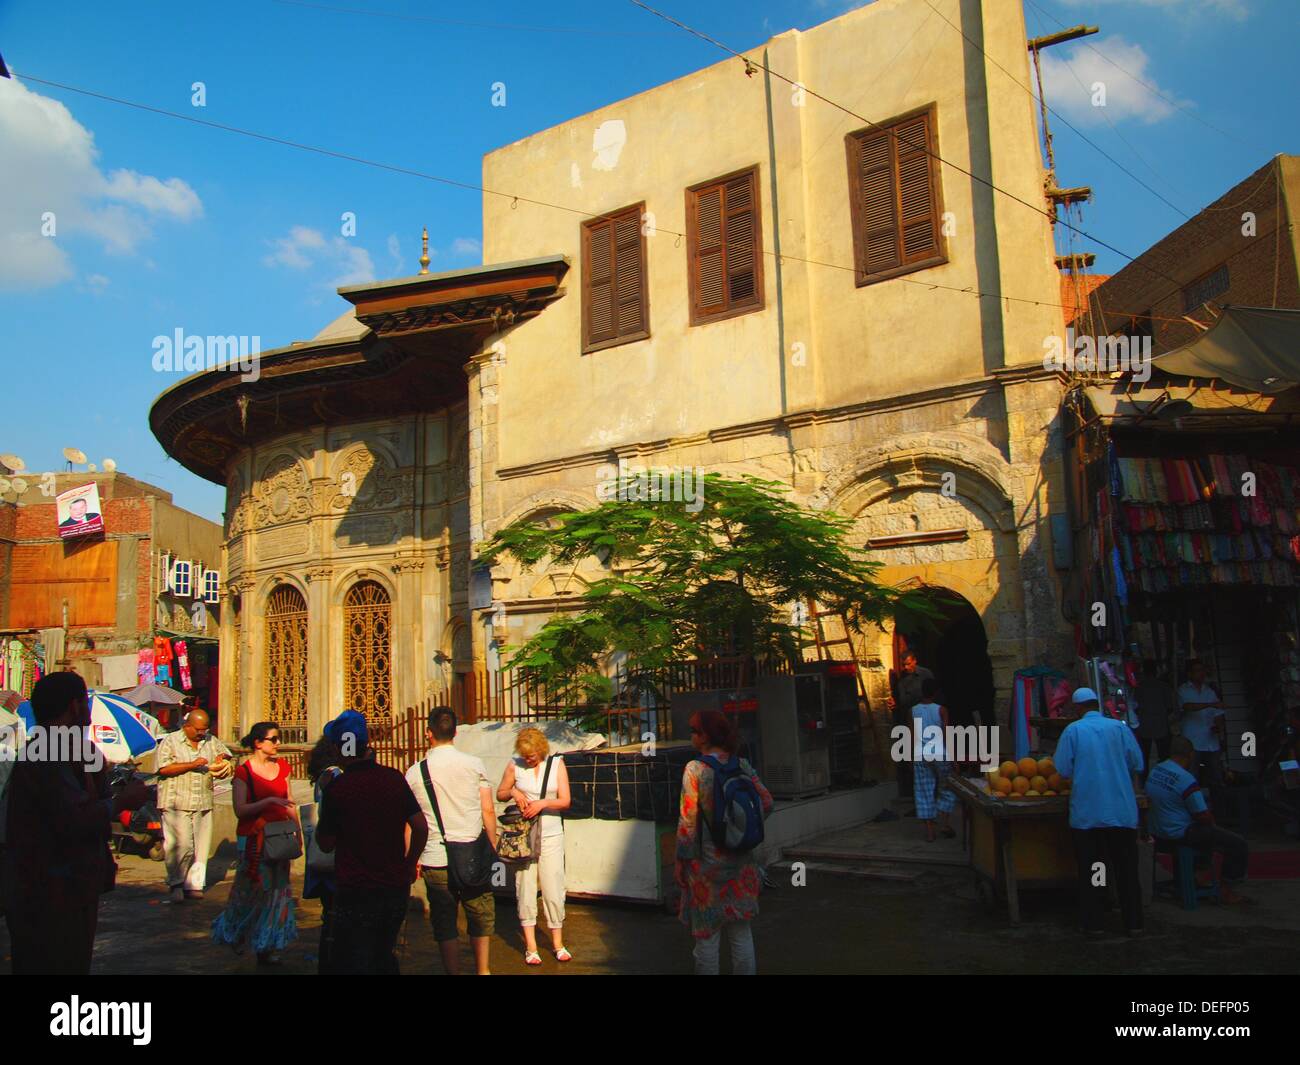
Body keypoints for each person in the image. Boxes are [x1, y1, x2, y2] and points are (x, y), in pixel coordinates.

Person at [1, 671, 147, 973]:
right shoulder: (45, 754)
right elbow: (73, 818)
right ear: (76, 706)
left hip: (67, 887)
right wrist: (120, 801)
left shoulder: (68, 751)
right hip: (49, 890)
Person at [316, 710, 427, 975]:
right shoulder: (393, 778)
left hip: (355, 890)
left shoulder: (338, 788)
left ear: (338, 748)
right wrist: (409, 863)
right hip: (392, 888)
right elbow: (421, 826)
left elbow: (326, 843)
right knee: (383, 954)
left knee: (353, 959)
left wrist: (324, 797)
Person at [676, 709, 774, 975]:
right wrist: (740, 829)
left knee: (707, 936)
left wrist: (681, 862)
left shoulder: (695, 769)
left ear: (706, 736)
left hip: (706, 868)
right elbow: (767, 802)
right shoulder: (740, 764)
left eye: (694, 730)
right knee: (741, 932)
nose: (692, 736)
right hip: (743, 863)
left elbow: (687, 823)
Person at [405, 706, 498, 976]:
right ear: (455, 732)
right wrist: (490, 849)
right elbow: (488, 810)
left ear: (428, 733)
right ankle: (483, 970)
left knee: (444, 922)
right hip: (472, 854)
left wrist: (411, 860)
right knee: (479, 915)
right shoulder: (474, 765)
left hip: (435, 858)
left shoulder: (413, 773)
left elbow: (413, 822)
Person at [1053, 686, 1144, 939]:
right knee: (1126, 869)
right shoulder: (1119, 728)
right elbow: (1137, 762)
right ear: (1097, 705)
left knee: (1094, 868)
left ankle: (1095, 923)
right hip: (1121, 810)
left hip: (1088, 812)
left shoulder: (1073, 731)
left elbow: (1062, 769)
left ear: (1079, 708)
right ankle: (1134, 922)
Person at [211, 721, 299, 964]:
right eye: (274, 739)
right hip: (254, 840)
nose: (278, 743)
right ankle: (238, 933)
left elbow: (289, 801)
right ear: (259, 743)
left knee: (278, 892)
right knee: (251, 890)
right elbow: (241, 809)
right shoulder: (244, 772)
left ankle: (267, 943)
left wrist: (298, 832)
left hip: (279, 839)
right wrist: (269, 800)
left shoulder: (283, 767)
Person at [497, 726, 572, 965]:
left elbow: (566, 800)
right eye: (525, 755)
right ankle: (531, 946)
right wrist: (514, 793)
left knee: (553, 884)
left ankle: (557, 942)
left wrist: (542, 804)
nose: (529, 759)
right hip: (524, 836)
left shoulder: (557, 764)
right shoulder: (514, 765)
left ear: (541, 749)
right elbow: (500, 793)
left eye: (532, 755)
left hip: (551, 834)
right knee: (525, 887)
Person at [1146, 736, 1251, 904]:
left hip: (1159, 832)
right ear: (1190, 755)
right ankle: (1226, 888)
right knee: (1237, 844)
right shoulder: (1185, 779)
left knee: (1208, 835)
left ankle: (1197, 875)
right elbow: (1202, 815)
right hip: (1179, 833)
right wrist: (1213, 824)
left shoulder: (1156, 770)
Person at [155, 708, 232, 902]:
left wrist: (223, 761)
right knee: (181, 845)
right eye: (198, 729)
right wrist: (192, 764)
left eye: (204, 729)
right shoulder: (170, 741)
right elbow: (163, 769)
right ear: (187, 726)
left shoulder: (210, 740)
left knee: (200, 846)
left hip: (202, 799)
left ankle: (194, 884)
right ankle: (176, 883)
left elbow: (224, 753)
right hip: (176, 801)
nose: (201, 733)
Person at [303, 731, 343, 974]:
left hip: (326, 850)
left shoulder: (323, 776)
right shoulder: (335, 775)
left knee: (329, 915)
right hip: (336, 854)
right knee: (336, 917)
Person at [1178, 660, 1228, 815]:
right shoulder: (1184, 690)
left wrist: (1218, 728)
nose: (1201, 673)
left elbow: (1218, 714)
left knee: (1216, 777)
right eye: (1197, 670)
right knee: (1192, 777)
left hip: (1210, 741)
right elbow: (1187, 707)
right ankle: (1194, 811)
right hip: (1193, 740)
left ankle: (1219, 811)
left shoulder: (1209, 691)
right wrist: (1210, 705)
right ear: (1190, 674)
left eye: (1202, 670)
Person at [911, 678, 956, 842]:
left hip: (921, 754)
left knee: (924, 792)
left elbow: (912, 735)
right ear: (936, 692)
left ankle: (930, 832)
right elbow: (946, 735)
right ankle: (944, 824)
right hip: (939, 754)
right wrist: (954, 759)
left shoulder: (914, 710)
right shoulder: (941, 710)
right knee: (947, 788)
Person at [889, 649, 933, 796]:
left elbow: (934, 697)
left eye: (908, 664)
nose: (906, 667)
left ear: (914, 661)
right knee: (913, 763)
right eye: (903, 665)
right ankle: (917, 797)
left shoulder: (925, 675)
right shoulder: (901, 680)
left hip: (926, 724)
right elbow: (901, 701)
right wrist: (895, 704)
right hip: (909, 724)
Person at [1133, 659, 1176, 778]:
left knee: (1143, 757)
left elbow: (1135, 707)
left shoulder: (1138, 687)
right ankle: (1163, 779)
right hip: (1161, 725)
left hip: (1144, 725)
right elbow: (1169, 707)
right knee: (1164, 757)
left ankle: (1143, 782)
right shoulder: (1163, 686)